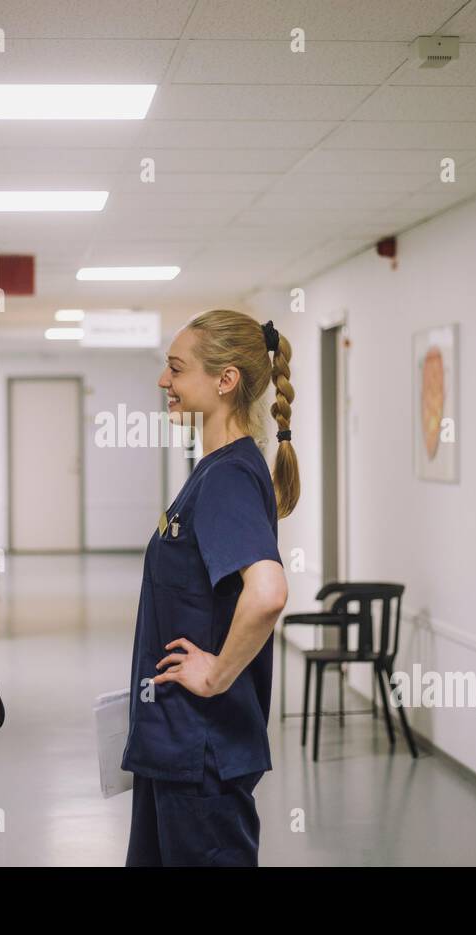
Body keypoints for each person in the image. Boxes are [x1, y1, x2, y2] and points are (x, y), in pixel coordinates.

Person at [122, 309, 299, 866]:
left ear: (225, 381)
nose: (163, 382)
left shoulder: (227, 476)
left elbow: (268, 590)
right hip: (175, 744)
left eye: (175, 369)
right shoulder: (215, 469)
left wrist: (218, 671)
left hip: (202, 750)